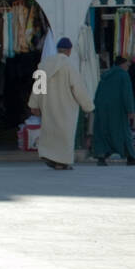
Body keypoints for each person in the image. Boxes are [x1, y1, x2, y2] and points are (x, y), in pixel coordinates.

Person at [27, 37, 94, 170]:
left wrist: (34, 104)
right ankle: (62, 162)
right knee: (65, 135)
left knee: (50, 132)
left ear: (58, 50)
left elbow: (38, 86)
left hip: (48, 105)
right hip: (66, 106)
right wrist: (88, 106)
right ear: (69, 51)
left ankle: (49, 156)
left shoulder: (45, 64)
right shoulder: (69, 66)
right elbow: (78, 88)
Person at [91, 56, 135, 166]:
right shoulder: (123, 75)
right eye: (127, 65)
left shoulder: (105, 76)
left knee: (103, 132)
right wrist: (131, 111)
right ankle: (131, 157)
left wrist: (95, 107)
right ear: (122, 64)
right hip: (117, 110)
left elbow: (98, 93)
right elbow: (127, 94)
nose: (128, 67)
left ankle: (101, 157)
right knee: (123, 132)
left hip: (102, 108)